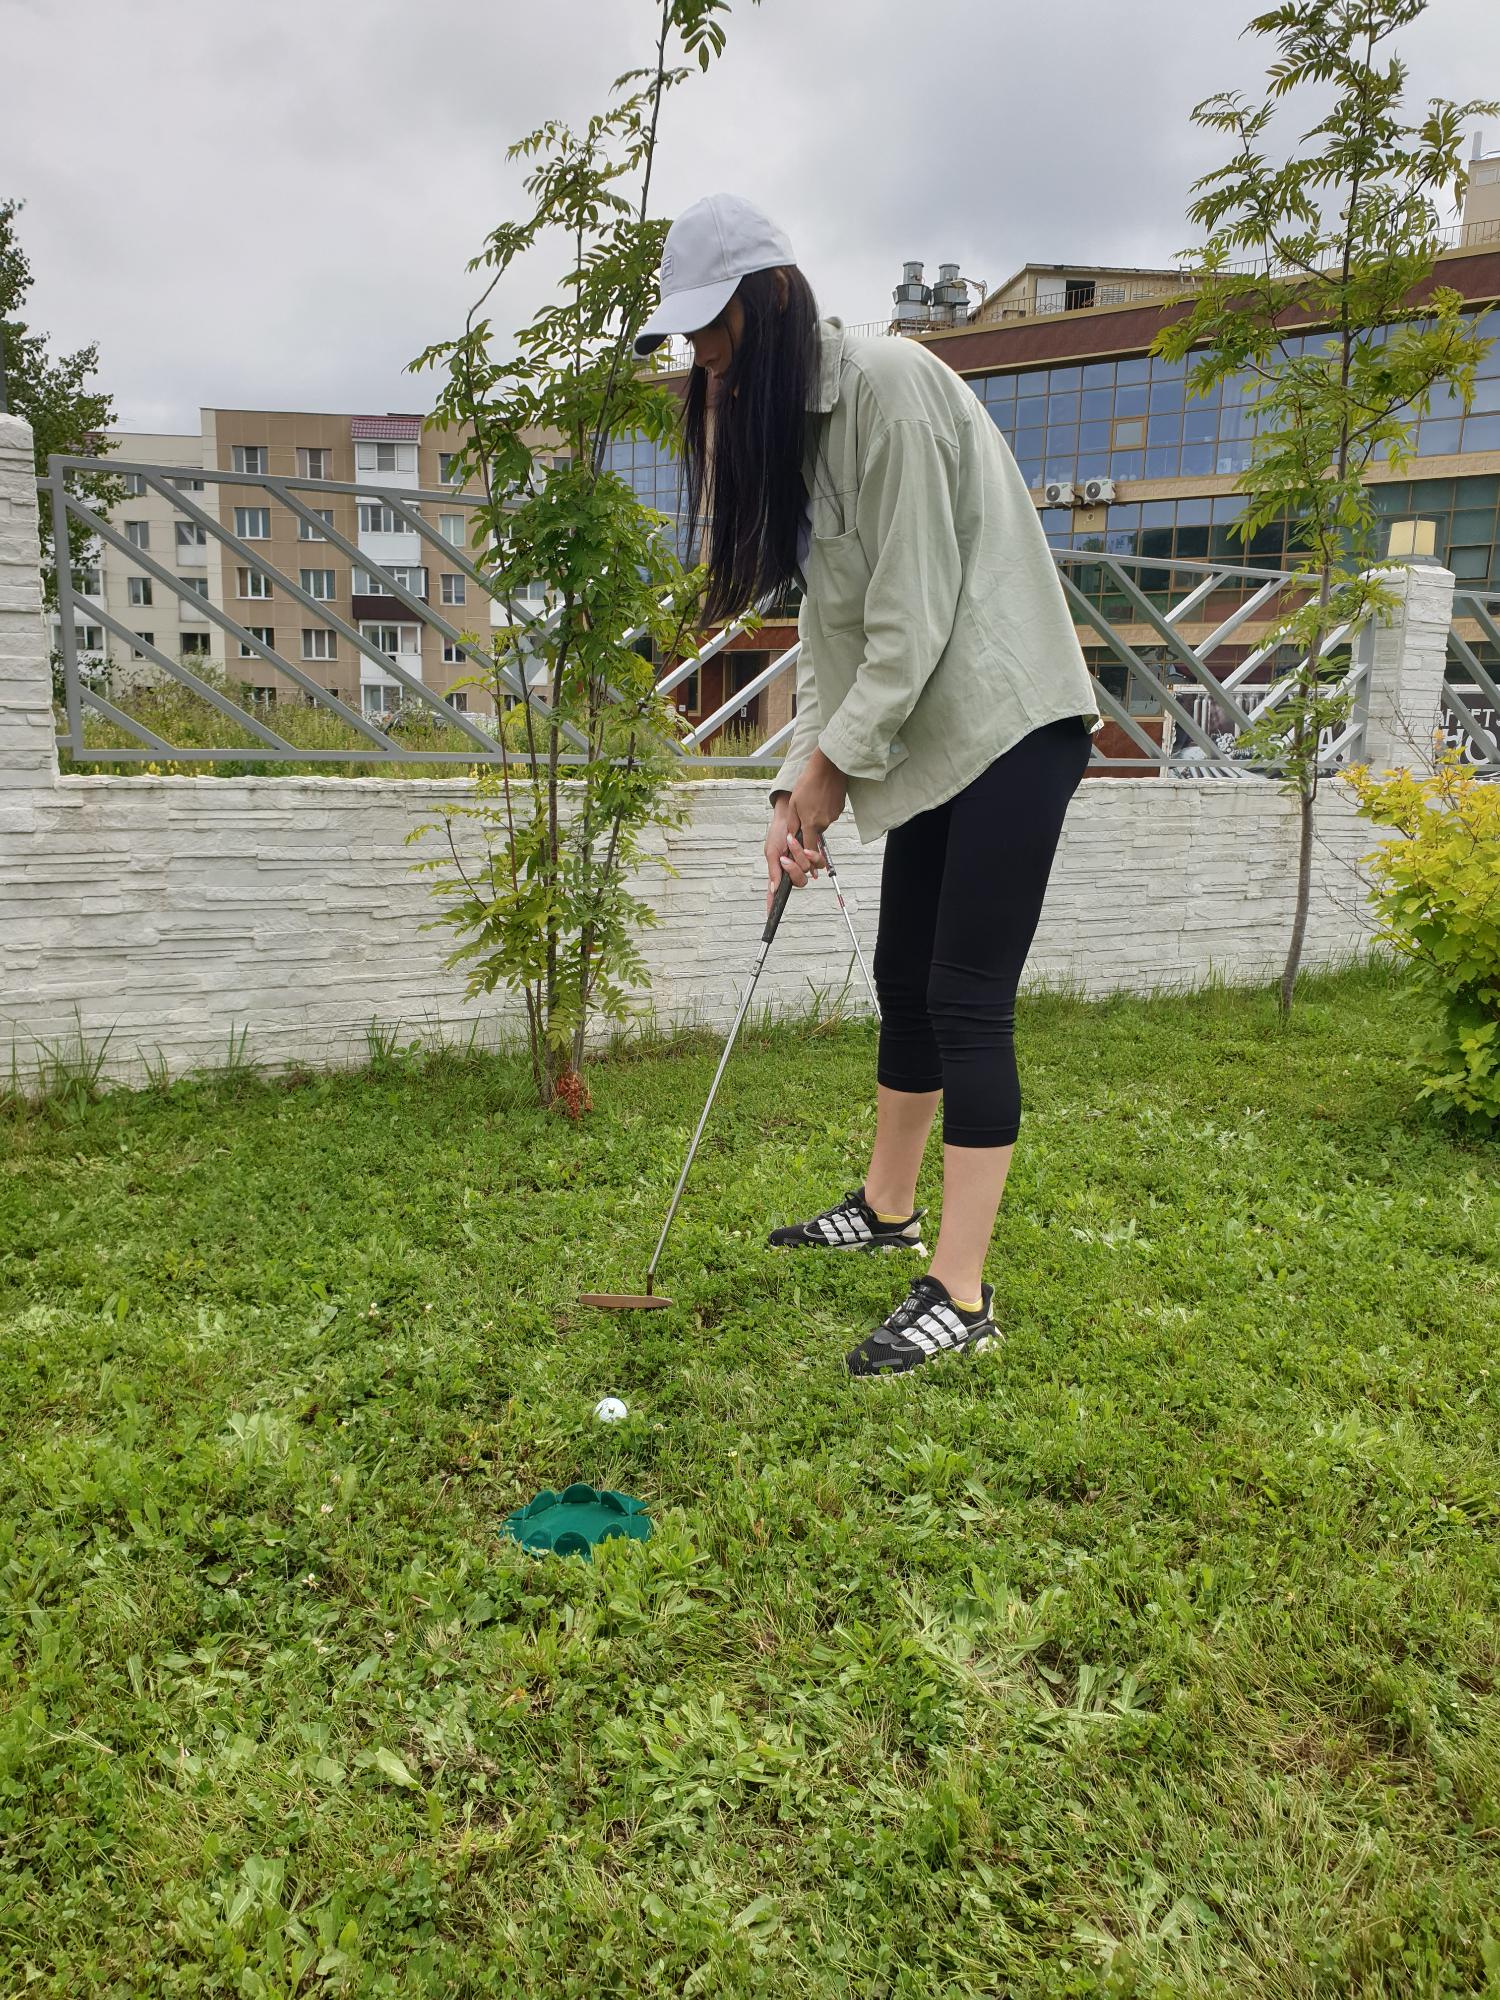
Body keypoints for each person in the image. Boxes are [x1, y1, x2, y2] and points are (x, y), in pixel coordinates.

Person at [635, 194, 1102, 1379]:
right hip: (935, 732)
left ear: (773, 298)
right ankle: (887, 1206)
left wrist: (836, 769)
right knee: (903, 973)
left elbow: (913, 616)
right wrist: (806, 775)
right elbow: (840, 637)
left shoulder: (887, 388)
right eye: (693, 341)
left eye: (715, 332)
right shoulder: (805, 433)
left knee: (963, 995)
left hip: (1009, 716)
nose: (708, 361)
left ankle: (960, 1288)